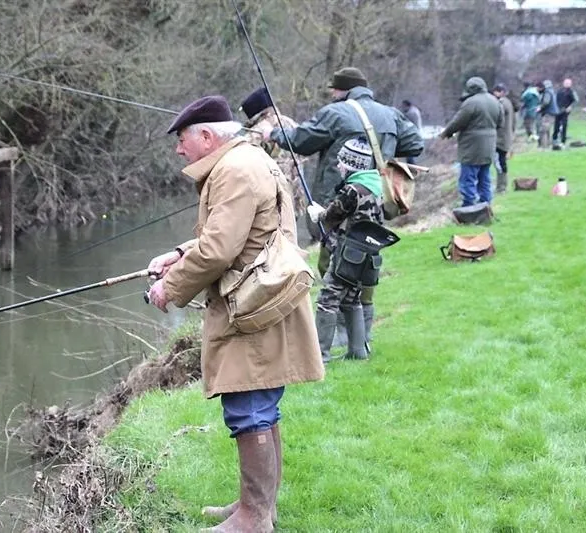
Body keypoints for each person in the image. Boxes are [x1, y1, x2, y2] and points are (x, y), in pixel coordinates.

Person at [146, 95, 324, 532]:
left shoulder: (233, 170)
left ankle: (254, 518)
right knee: (261, 404)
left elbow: (220, 248)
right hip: (262, 298)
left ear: (207, 136)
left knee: (250, 409)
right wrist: (178, 254)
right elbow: (244, 234)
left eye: (182, 140)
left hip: (251, 307)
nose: (178, 149)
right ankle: (257, 506)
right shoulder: (248, 159)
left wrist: (169, 287)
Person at [262, 66, 398, 348]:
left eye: (334, 88)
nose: (332, 93)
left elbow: (298, 141)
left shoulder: (335, 113)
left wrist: (273, 133)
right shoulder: (390, 114)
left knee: (334, 274)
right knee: (364, 277)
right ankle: (360, 344)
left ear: (343, 89)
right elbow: (413, 142)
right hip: (376, 200)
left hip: (338, 208)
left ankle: (329, 346)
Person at [306, 137, 383, 363]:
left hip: (348, 255)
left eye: (341, 161)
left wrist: (317, 214)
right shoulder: (375, 186)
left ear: (351, 164)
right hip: (367, 256)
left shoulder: (353, 189)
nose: (338, 165)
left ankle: (320, 356)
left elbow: (332, 215)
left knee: (327, 300)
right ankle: (358, 352)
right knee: (351, 299)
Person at [239, 87, 308, 216]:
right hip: (295, 195)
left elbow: (239, 160)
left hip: (272, 199)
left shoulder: (258, 130)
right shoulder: (292, 124)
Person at [439, 76, 502, 207]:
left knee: (468, 177)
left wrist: (446, 133)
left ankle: (468, 206)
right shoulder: (495, 101)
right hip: (489, 146)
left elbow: (458, 121)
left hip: (471, 147)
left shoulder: (470, 103)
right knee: (485, 177)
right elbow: (500, 123)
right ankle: (486, 205)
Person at [492, 83, 515, 194]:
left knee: (499, 163)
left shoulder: (501, 103)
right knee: (501, 162)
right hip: (506, 137)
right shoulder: (508, 102)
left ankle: (501, 187)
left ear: (500, 92)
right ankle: (501, 186)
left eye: (495, 92)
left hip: (501, 138)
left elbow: (495, 118)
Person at [553, 78, 579, 147]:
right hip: (558, 110)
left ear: (570, 84)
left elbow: (576, 101)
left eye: (568, 83)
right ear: (563, 83)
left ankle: (563, 141)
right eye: (566, 83)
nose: (567, 84)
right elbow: (555, 99)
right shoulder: (559, 91)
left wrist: (570, 107)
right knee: (556, 125)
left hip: (565, 111)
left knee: (564, 125)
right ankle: (554, 139)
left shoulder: (572, 92)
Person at [535, 80, 559, 149]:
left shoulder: (547, 92)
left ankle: (544, 147)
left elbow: (546, 102)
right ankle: (547, 146)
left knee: (543, 130)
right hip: (551, 113)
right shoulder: (551, 91)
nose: (537, 90)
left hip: (548, 114)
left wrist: (540, 108)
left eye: (537, 88)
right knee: (547, 130)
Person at [400, 99, 423, 165]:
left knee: (409, 154)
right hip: (414, 133)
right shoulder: (414, 110)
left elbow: (406, 122)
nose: (402, 107)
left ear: (407, 105)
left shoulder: (411, 113)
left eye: (403, 106)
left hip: (412, 134)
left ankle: (413, 169)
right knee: (409, 153)